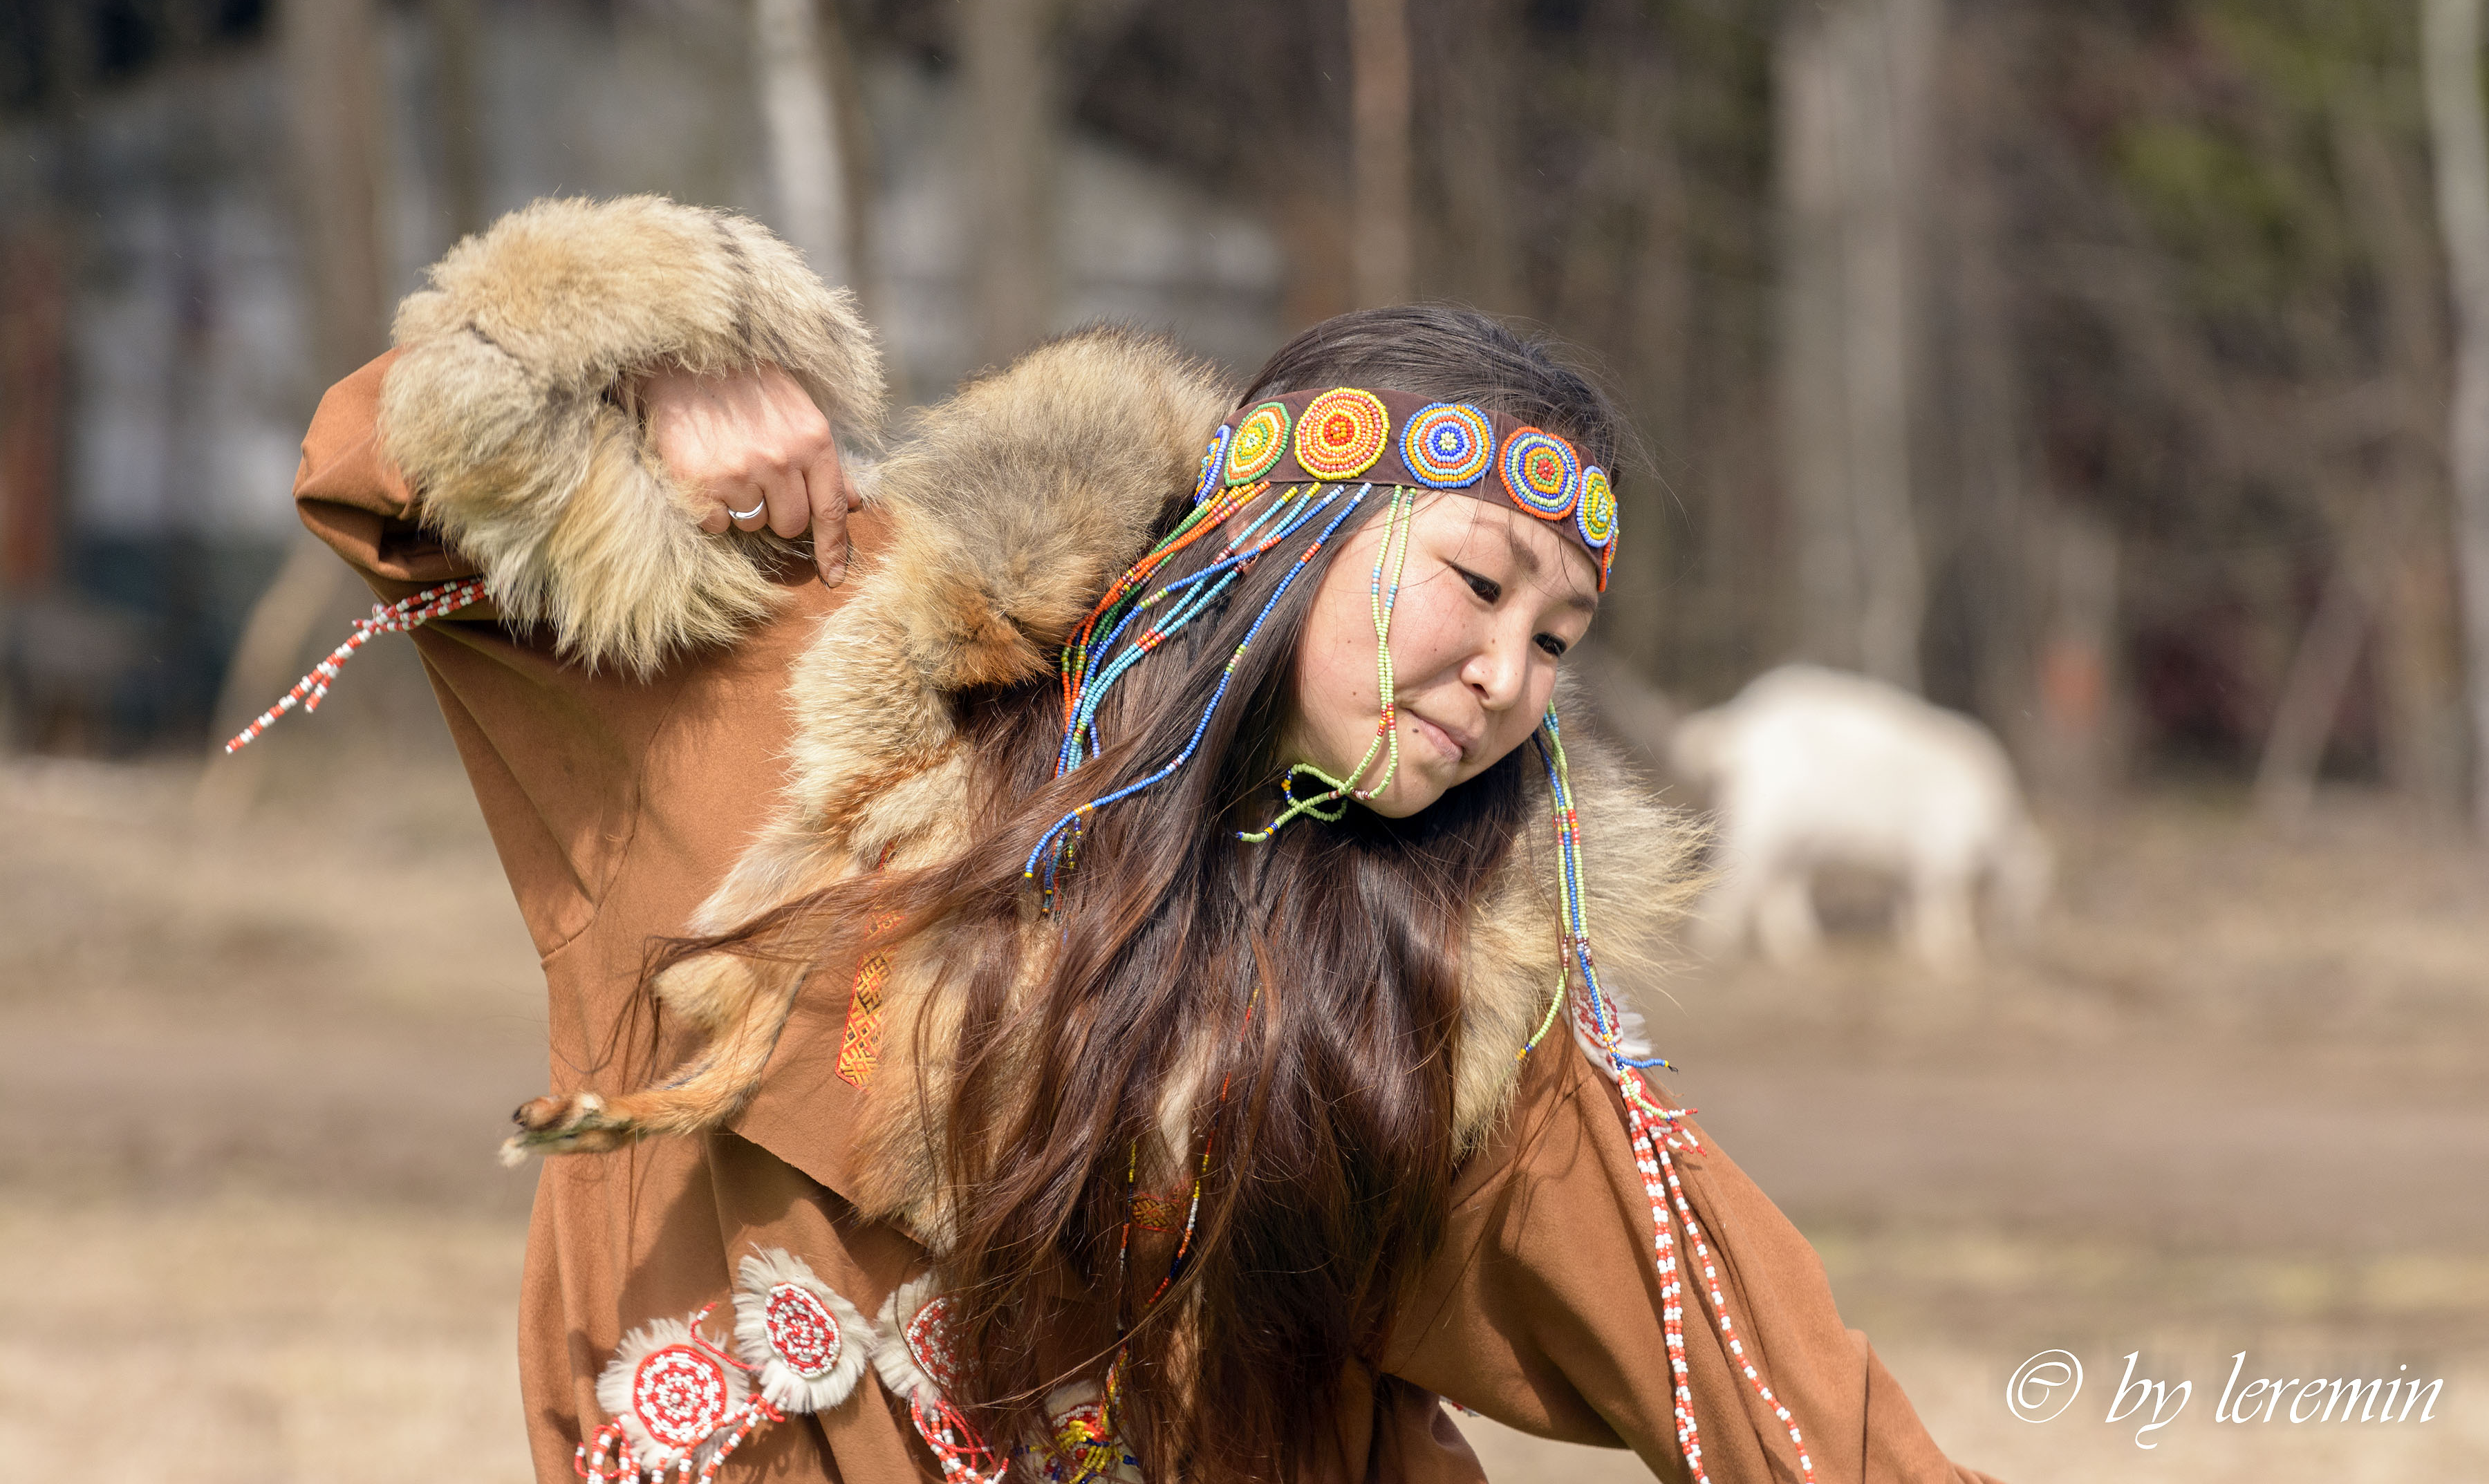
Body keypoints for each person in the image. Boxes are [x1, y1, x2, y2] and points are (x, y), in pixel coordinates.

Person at [279, 194, 2000, 1484]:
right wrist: (660, 377)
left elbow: (1792, 1400)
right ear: (1285, 532)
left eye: (1555, 644)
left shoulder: (1445, 1021)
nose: (1504, 677)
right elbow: (386, 471)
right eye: (1479, 582)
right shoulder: (834, 687)